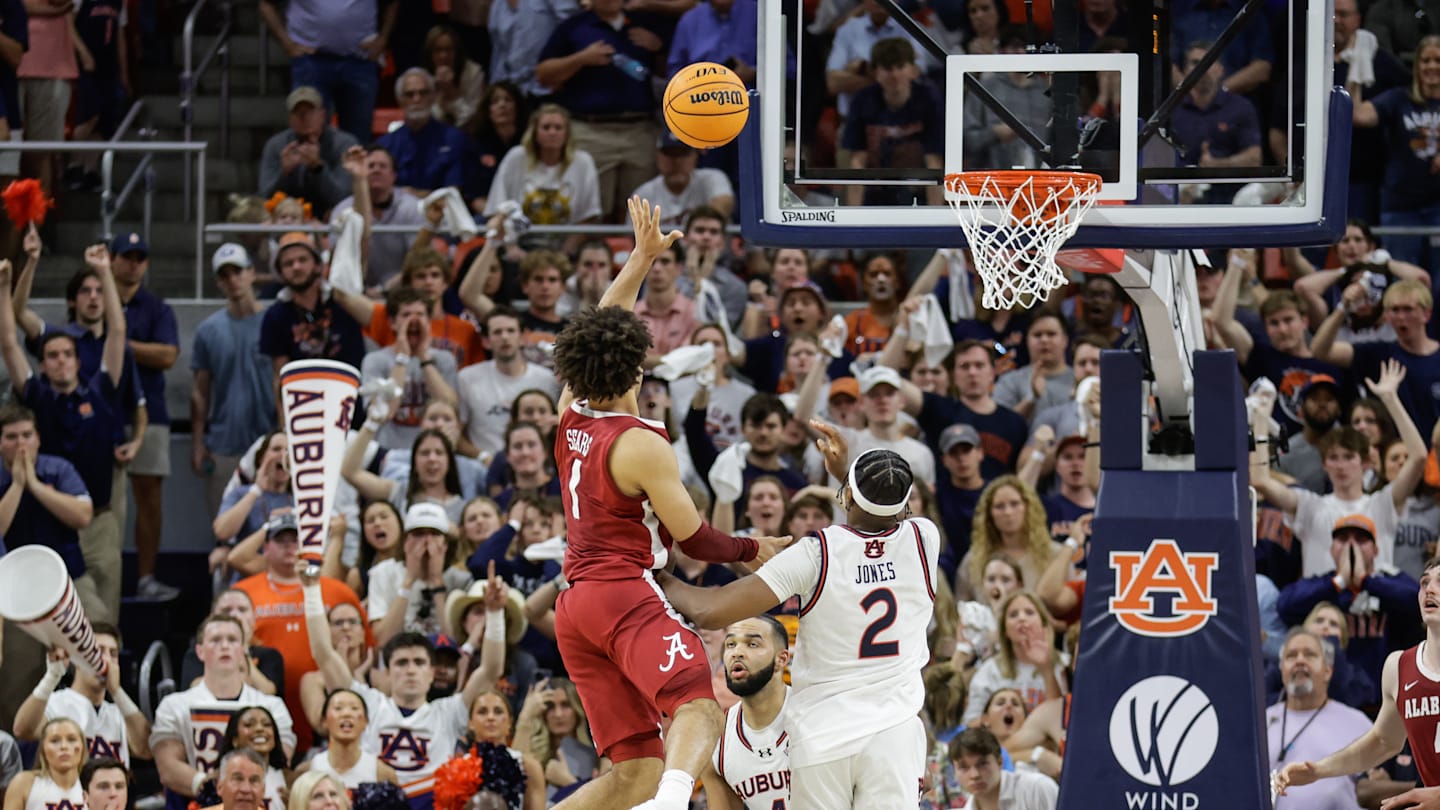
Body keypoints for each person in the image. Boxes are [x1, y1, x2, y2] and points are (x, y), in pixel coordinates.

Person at [546, 197, 790, 809]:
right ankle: (672, 805)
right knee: (698, 705)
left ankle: (658, 794)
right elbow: (696, 540)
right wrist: (754, 548)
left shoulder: (570, 413)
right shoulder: (639, 443)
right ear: (636, 368)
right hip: (623, 591)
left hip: (574, 606)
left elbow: (601, 324)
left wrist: (640, 259)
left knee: (635, 773)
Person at [660, 435, 939, 808]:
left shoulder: (816, 552)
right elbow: (883, 516)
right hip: (894, 732)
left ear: (848, 496)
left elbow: (709, 610)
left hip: (826, 732)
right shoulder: (924, 539)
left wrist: (657, 577)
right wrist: (847, 479)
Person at [305, 571, 506, 810]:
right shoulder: (366, 704)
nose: (411, 670)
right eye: (401, 663)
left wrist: (494, 614)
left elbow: (491, 670)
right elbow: (324, 655)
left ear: (432, 672)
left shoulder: (449, 712)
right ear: (387, 672)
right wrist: (310, 589)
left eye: (419, 663)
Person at [0, 251, 123, 621]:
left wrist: (104, 271)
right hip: (50, 519)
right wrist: (5, 286)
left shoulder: (101, 390)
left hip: (98, 518)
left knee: (102, 621)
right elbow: (8, 341)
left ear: (78, 360)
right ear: (43, 364)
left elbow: (117, 331)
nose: (60, 361)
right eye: (52, 356)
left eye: (67, 354)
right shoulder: (35, 397)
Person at [1274, 555, 1440, 806]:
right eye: (1424, 582)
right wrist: (1319, 770)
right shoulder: (1399, 667)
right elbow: (1383, 741)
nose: (1430, 588)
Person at [1253, 359, 1427, 576]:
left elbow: (1419, 457)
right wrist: (1260, 419)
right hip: (1323, 607)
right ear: (1325, 465)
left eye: (1348, 457)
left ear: (1365, 463)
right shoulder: (1310, 505)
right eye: (1334, 458)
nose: (1341, 465)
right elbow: (1260, 481)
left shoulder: (1381, 503)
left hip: (1373, 606)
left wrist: (1390, 399)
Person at [234, 511, 369, 752]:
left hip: (325, 696)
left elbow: (366, 643)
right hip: (263, 698)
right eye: (281, 541)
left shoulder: (338, 591)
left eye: (296, 540)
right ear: (265, 547)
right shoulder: (243, 593)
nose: (289, 547)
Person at [149, 615, 295, 803]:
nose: (224, 646)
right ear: (200, 652)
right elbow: (168, 768)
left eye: (232, 640)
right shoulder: (174, 705)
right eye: (216, 640)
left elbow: (281, 761)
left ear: (244, 651)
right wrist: (209, 786)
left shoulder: (272, 706)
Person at [110, 231, 180, 602]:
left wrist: (117, 341)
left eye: (140, 257)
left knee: (149, 498)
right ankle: (102, 575)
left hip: (149, 410)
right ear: (111, 260)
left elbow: (169, 355)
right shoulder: (95, 299)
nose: (133, 263)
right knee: (99, 498)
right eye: (126, 256)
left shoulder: (157, 308)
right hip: (103, 412)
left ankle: (146, 577)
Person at [190, 244, 277, 519]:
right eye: (225, 275)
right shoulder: (208, 331)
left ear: (252, 273)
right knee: (225, 528)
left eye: (238, 272)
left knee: (274, 526)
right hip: (225, 446)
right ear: (219, 282)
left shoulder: (275, 323)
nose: (233, 280)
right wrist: (198, 443)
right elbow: (200, 392)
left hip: (269, 442)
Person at [256, 0, 392, 143]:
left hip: (359, 60)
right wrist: (288, 44)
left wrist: (384, 38)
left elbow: (393, 3)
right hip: (311, 61)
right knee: (309, 134)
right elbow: (266, 4)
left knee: (358, 139)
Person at [13, 623, 148, 765]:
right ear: (77, 658)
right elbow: (22, 730)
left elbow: (145, 749)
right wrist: (52, 677)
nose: (106, 660)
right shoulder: (55, 703)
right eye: (98, 652)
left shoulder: (120, 713)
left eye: (113, 654)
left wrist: (117, 692)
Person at [1268, 628, 1373, 809]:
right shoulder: (1262, 723)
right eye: (1291, 656)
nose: (1300, 661)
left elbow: (1375, 786)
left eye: (1309, 655)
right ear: (1282, 669)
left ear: (1328, 671)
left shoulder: (1357, 723)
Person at [700, 616, 792, 810]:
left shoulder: (817, 715)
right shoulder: (715, 740)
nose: (737, 653)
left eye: (752, 644)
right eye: (731, 644)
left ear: (781, 659)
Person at [330, 147, 426, 291]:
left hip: (405, 288)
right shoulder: (343, 209)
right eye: (371, 166)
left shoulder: (412, 207)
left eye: (382, 166)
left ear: (394, 175)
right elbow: (340, 259)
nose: (376, 170)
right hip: (355, 288)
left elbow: (418, 259)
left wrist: (385, 290)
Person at [256, 86, 362, 216]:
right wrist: (285, 174)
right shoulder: (276, 145)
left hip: (331, 219)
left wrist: (317, 168)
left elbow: (343, 199)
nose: (304, 117)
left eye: (310, 111)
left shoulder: (344, 144)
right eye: (298, 112)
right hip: (287, 221)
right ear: (290, 118)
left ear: (322, 115)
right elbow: (265, 198)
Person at [378, 69, 478, 202]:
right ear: (399, 100)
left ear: (433, 97)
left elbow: (454, 195)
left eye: (423, 93)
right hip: (395, 219)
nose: (417, 99)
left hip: (444, 217)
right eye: (410, 94)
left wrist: (411, 195)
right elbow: (378, 195)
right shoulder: (385, 146)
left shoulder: (455, 139)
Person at [298, 689, 399, 788]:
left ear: (366, 722)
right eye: (338, 708)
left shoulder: (383, 773)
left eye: (354, 708)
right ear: (324, 721)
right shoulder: (307, 771)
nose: (347, 713)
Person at [630, 133, 736, 227]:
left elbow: (724, 205)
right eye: (670, 154)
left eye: (683, 154)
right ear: (657, 157)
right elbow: (633, 238)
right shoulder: (644, 194)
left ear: (695, 156)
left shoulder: (712, 178)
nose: (677, 161)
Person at [950, 727, 1058, 809]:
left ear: (999, 762)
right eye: (963, 768)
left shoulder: (1037, 788)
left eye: (982, 764)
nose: (975, 775)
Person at [2, 718, 85, 810]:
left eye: (71, 739)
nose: (64, 746)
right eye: (55, 741)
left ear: (82, 746)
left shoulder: (93, 785)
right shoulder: (24, 783)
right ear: (43, 749)